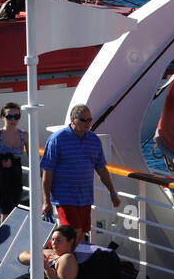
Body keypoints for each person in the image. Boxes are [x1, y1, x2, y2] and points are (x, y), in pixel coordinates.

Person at [40, 103, 120, 242]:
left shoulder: (94, 140)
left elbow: (101, 169)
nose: (88, 123)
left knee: (82, 232)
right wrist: (46, 201)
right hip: (64, 196)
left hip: (85, 197)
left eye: (90, 120)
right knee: (72, 233)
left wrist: (112, 192)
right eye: (83, 120)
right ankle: (65, 260)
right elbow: (48, 171)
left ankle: (65, 259)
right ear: (72, 120)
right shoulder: (57, 139)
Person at [0, 102, 28, 218]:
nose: (13, 120)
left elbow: (32, 155)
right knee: (5, 211)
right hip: (0, 176)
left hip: (15, 176)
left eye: (16, 116)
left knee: (11, 210)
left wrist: (41, 170)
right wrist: (1, 162)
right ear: (2, 117)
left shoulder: (24, 135)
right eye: (9, 116)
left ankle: (5, 235)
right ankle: (5, 235)